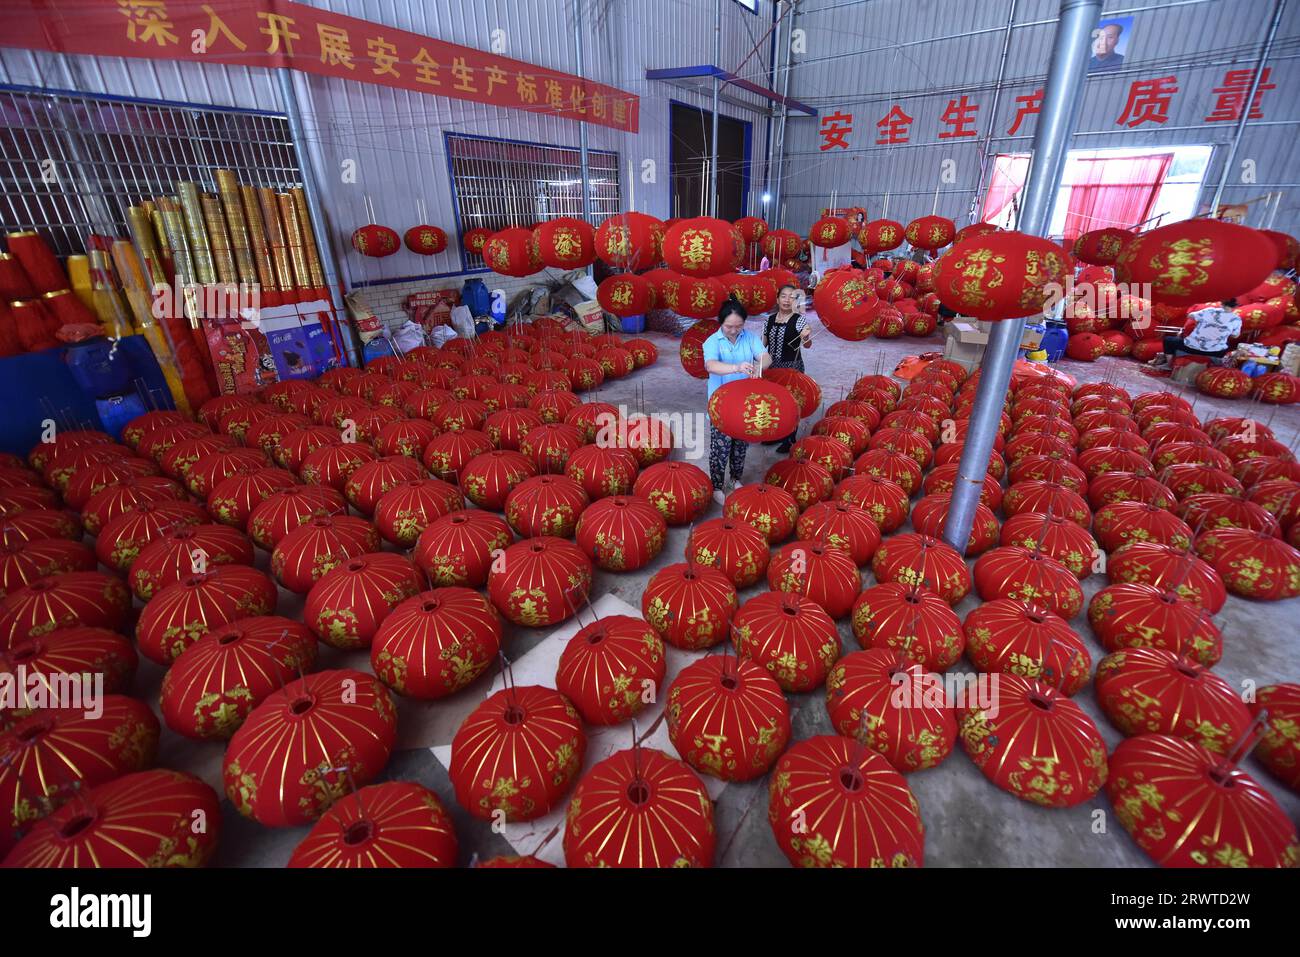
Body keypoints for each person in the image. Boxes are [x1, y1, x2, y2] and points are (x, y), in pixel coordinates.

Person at [702, 298, 773, 504]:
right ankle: (716, 486)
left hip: (745, 403)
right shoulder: (712, 342)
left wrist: (759, 367)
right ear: (721, 323)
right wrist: (736, 367)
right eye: (729, 326)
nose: (734, 330)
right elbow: (711, 365)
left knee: (741, 445)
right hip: (721, 405)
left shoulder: (749, 337)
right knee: (720, 447)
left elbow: (765, 357)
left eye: (738, 326)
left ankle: (735, 479)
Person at [762, 284, 813, 453]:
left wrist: (806, 338)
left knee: (792, 404)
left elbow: (807, 345)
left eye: (791, 297)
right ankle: (775, 434)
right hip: (772, 367)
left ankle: (789, 438)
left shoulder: (799, 320)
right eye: (783, 296)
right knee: (773, 402)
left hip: (792, 367)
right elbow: (763, 346)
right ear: (777, 299)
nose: (786, 300)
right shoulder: (768, 320)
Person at [1148, 299, 1241, 369]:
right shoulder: (1236, 319)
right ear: (1235, 307)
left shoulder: (1209, 311)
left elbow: (1190, 315)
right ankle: (1212, 368)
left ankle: (1169, 365)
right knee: (1226, 345)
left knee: (1168, 340)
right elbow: (1235, 335)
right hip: (1215, 351)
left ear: (1222, 302)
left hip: (1191, 347)